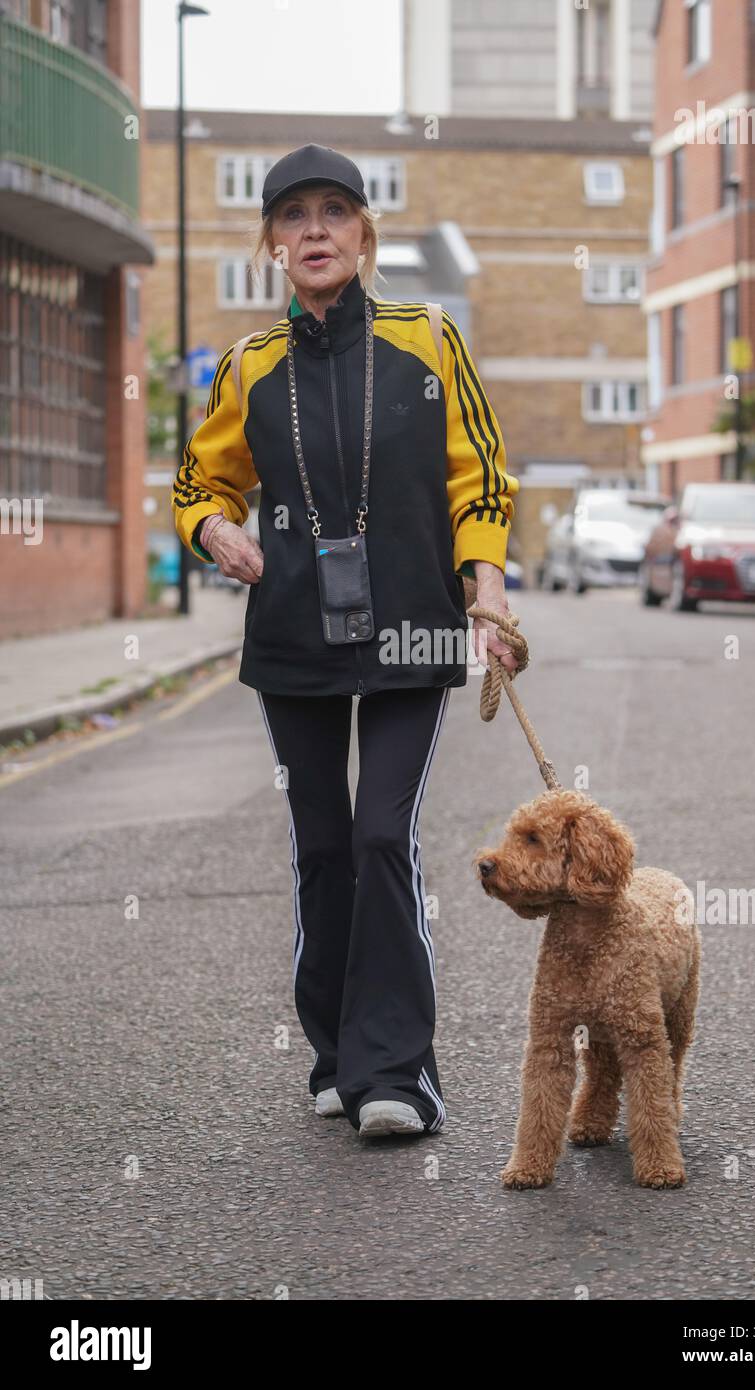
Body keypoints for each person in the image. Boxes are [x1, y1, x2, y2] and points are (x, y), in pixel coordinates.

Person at [172, 144, 520, 1139]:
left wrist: (486, 590)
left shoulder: (428, 338)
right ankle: (334, 1051)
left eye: (334, 212)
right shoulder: (249, 365)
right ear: (273, 246)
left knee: (381, 834)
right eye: (293, 216)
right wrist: (214, 531)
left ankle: (400, 1072)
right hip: (293, 630)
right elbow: (200, 484)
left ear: (366, 236)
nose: (314, 229)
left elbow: (480, 480)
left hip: (414, 623)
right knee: (323, 845)